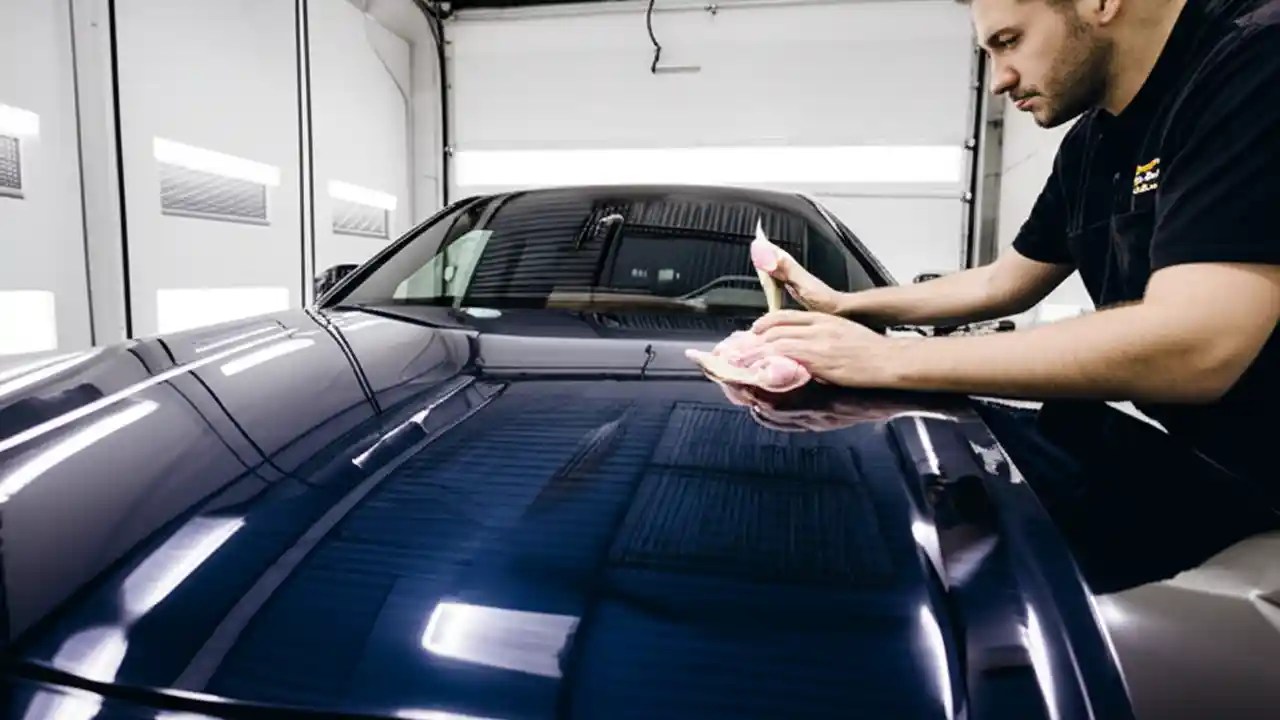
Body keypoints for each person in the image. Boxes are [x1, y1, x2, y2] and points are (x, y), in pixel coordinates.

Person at [747, 0, 1280, 589]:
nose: (998, 79)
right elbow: (1003, 283)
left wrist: (889, 358)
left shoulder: (1256, 61)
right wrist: (844, 305)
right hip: (1210, 462)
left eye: (1008, 41)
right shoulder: (1091, 144)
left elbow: (1196, 345)